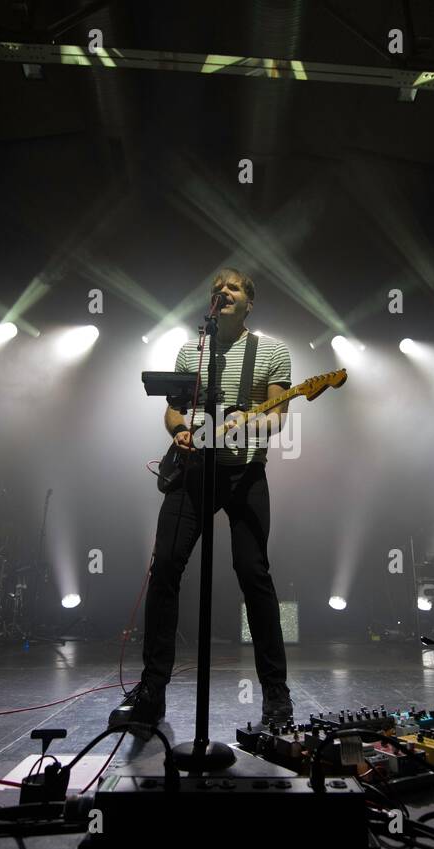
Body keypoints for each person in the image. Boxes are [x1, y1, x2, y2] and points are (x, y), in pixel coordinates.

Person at [111, 268, 294, 733]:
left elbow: (277, 419)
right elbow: (172, 408)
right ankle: (152, 691)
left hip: (244, 473)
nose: (223, 291)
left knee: (254, 575)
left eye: (233, 287)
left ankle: (276, 696)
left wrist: (242, 423)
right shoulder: (193, 349)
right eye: (217, 287)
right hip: (195, 473)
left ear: (249, 302)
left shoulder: (271, 351)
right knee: (166, 565)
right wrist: (181, 431)